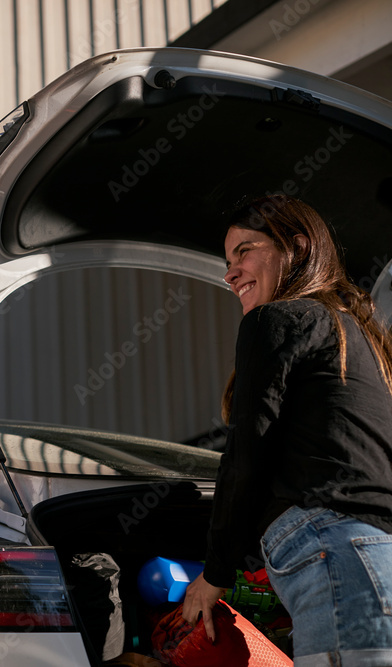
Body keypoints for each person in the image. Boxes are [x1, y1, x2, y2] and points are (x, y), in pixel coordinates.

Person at [182, 194, 392, 664]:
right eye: (227, 259)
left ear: (296, 249)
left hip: (331, 547)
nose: (230, 273)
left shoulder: (275, 319)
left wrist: (215, 575)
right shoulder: (358, 336)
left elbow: (245, 456)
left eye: (245, 251)